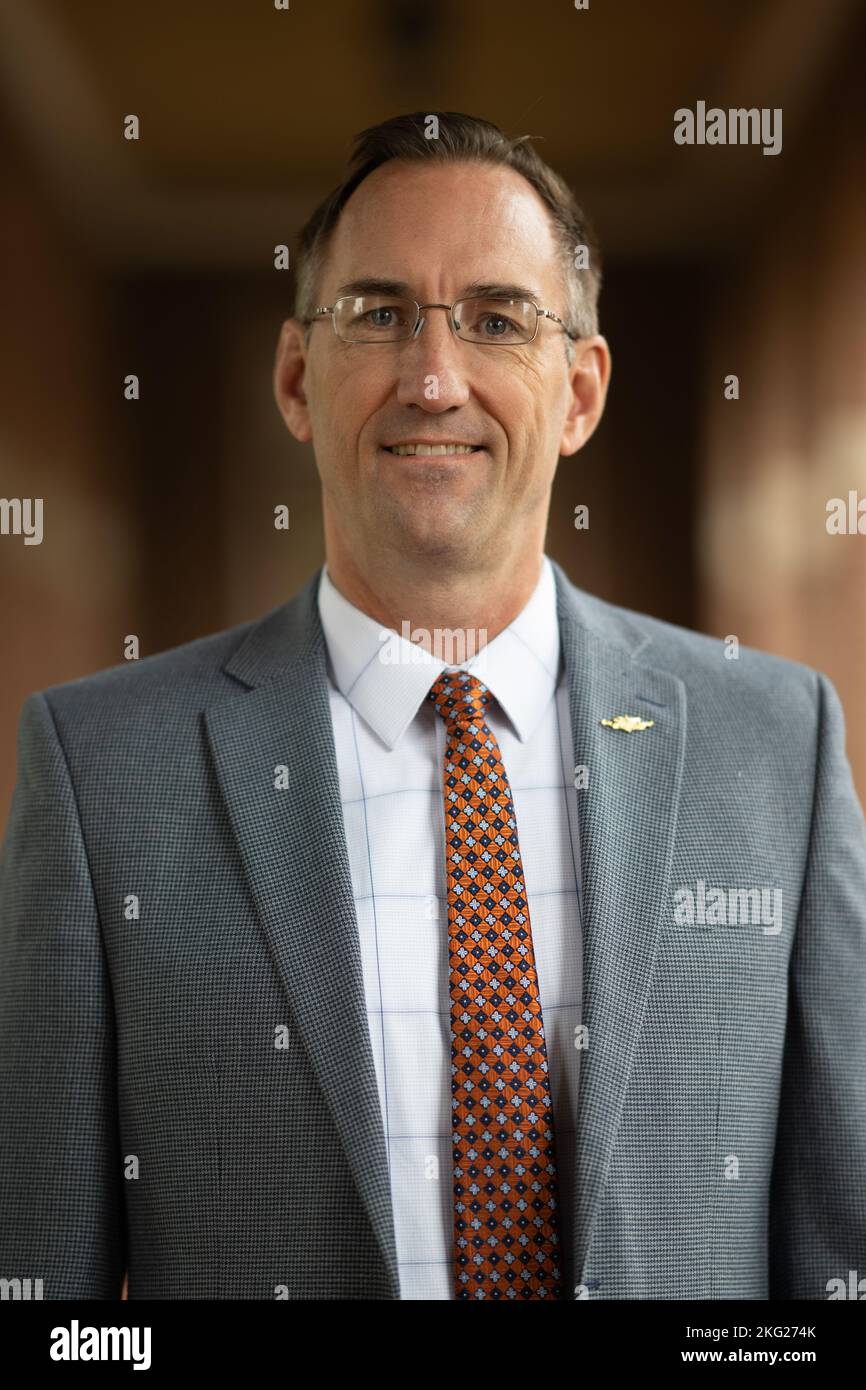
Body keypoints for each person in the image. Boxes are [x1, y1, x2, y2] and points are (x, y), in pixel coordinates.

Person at [1, 110, 865, 1302]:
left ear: (578, 390)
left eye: (497, 321)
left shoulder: (777, 747)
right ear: (298, 376)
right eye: (378, 313)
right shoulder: (100, 772)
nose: (432, 378)